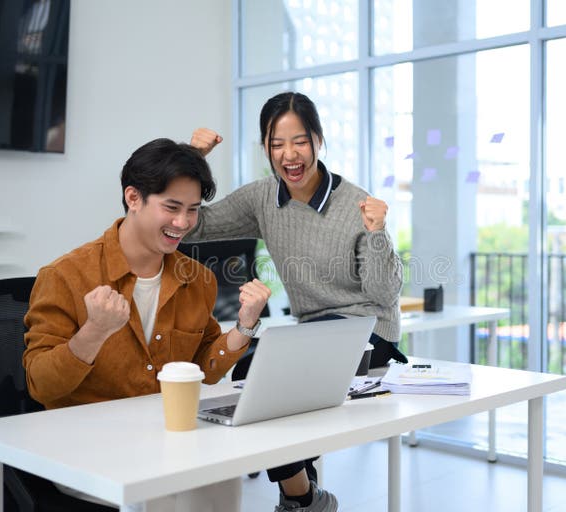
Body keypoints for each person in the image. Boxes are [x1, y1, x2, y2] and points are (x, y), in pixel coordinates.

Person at [23, 138, 271, 512]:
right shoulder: (66, 276)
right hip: (84, 447)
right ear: (133, 198)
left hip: (164, 439)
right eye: (171, 207)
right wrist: (93, 332)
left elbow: (201, 370)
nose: (183, 223)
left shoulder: (198, 280)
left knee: (220, 476)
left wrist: (244, 326)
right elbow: (41, 386)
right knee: (165, 492)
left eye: (192, 210)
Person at [188, 91, 406, 512]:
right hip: (314, 334)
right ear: (265, 149)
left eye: (300, 141)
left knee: (265, 377)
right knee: (254, 377)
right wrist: (192, 158)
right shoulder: (262, 199)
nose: (289, 154)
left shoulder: (355, 204)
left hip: (368, 334)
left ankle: (302, 499)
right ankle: (304, 496)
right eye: (276, 144)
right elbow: (193, 226)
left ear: (319, 141)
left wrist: (378, 233)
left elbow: (383, 296)